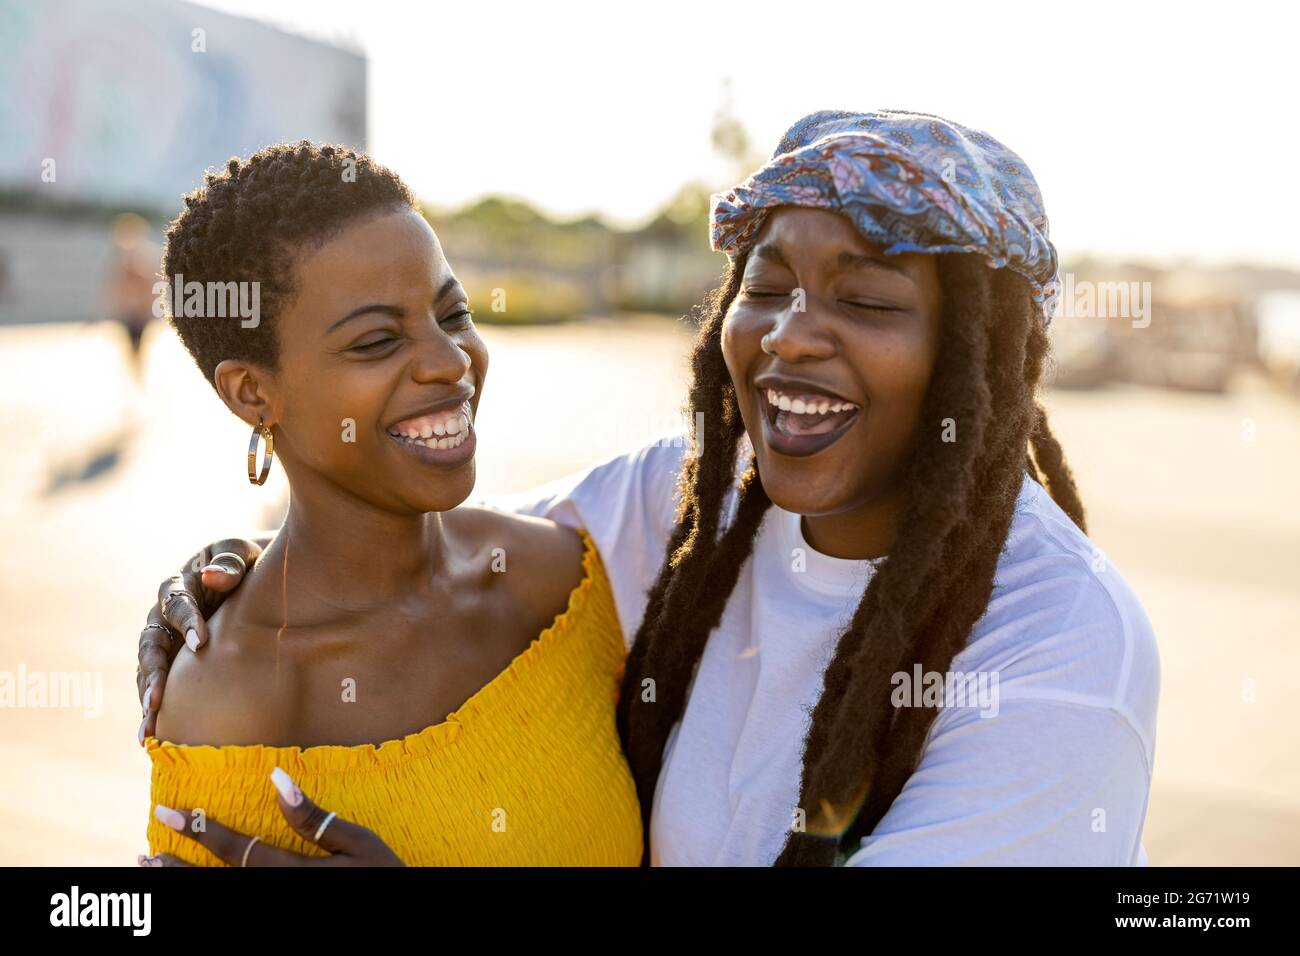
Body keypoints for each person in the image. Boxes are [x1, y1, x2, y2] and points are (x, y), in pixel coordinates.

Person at [138, 111, 1159, 866]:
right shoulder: (672, 513)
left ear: (974, 359)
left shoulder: (1060, 644)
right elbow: (397, 563)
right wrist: (231, 583)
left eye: (865, 298)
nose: (792, 333)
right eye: (765, 287)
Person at [137, 141, 641, 866]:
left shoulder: (564, 582)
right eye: (376, 341)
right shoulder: (232, 705)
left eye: (453, 312)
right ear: (254, 393)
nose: (450, 361)